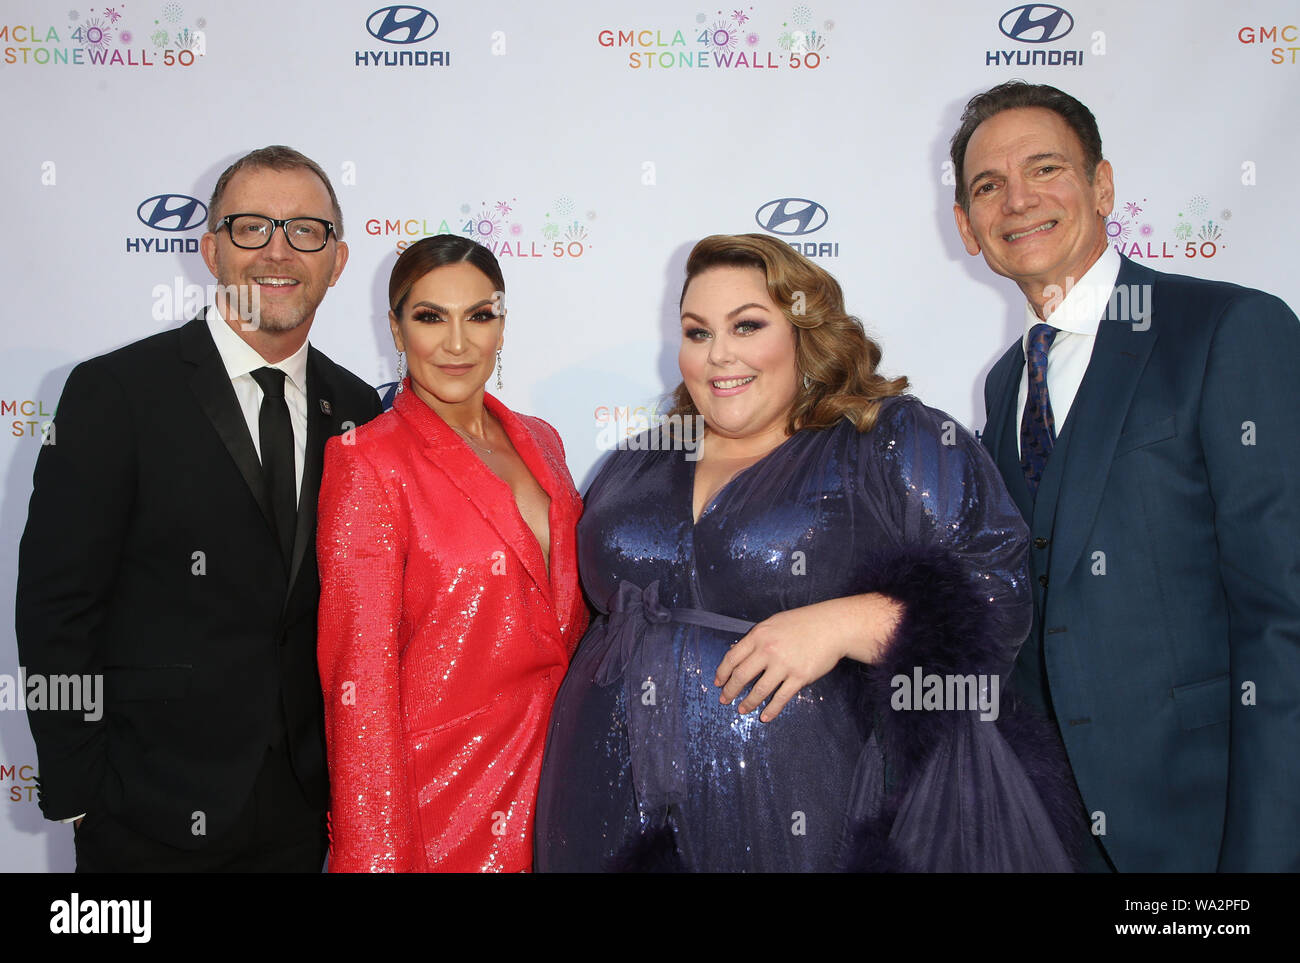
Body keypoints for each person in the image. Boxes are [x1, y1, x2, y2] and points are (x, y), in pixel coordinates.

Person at [535, 233, 1076, 872]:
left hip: (802, 810)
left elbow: (997, 592)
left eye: (747, 326)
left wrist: (851, 621)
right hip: (603, 801)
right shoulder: (636, 463)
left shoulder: (887, 439)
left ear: (802, 332)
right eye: (697, 331)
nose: (719, 355)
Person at [950, 81, 1300, 871]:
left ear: (1102, 186)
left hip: (1209, 834)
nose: (1018, 200)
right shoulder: (1005, 384)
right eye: (987, 186)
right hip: (1056, 836)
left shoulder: (1226, 330)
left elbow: (1286, 617)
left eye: (1046, 169)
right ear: (968, 229)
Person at [15, 145, 384, 871]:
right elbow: (56, 605)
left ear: (337, 261)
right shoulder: (116, 393)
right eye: (252, 228)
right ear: (211, 248)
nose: (278, 251)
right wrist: (79, 790)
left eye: (306, 230)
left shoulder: (358, 408)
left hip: (303, 812)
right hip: (142, 812)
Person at [317, 235, 588, 872]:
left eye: (480, 316)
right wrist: (375, 856)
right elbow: (359, 678)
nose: (458, 344)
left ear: (502, 325)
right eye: (430, 317)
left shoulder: (542, 442)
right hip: (445, 799)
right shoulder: (368, 460)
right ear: (395, 326)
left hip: (564, 786)